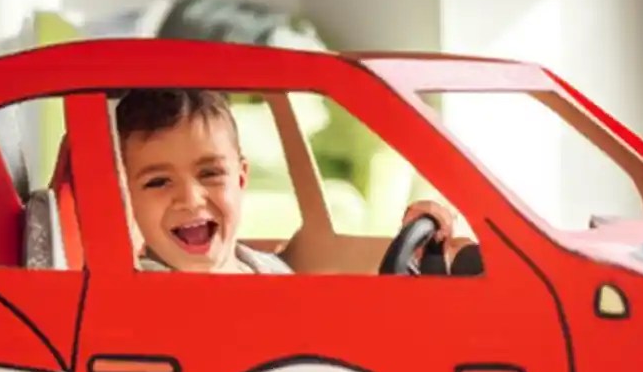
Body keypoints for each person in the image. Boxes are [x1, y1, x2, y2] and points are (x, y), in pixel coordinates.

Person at [114, 87, 458, 274]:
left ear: (241, 178)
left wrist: (417, 246)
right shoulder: (144, 287)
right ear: (127, 199)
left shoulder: (264, 268)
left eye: (210, 173)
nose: (190, 198)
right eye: (158, 182)